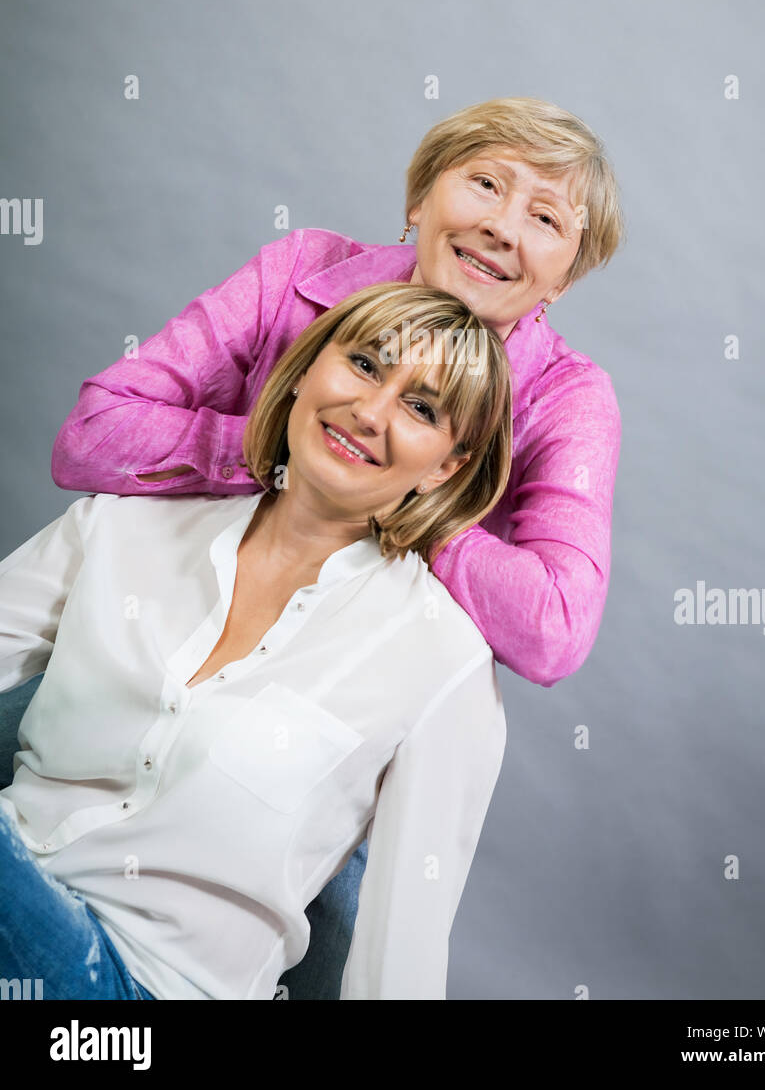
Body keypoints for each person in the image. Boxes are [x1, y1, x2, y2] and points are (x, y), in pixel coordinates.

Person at [2, 95, 625, 997]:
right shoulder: (301, 274)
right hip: (164, 679)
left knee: (297, 857)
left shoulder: (566, 399)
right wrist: (282, 460)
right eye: (484, 183)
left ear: (563, 275)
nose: (501, 226)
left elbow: (555, 625)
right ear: (419, 198)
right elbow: (98, 434)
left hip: (316, 726)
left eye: (543, 218)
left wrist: (387, 501)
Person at [0, 283, 512, 1000]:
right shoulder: (122, 526)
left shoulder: (442, 664)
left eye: (422, 408)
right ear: (306, 368)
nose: (370, 412)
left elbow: (400, 953)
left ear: (445, 467)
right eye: (365, 364)